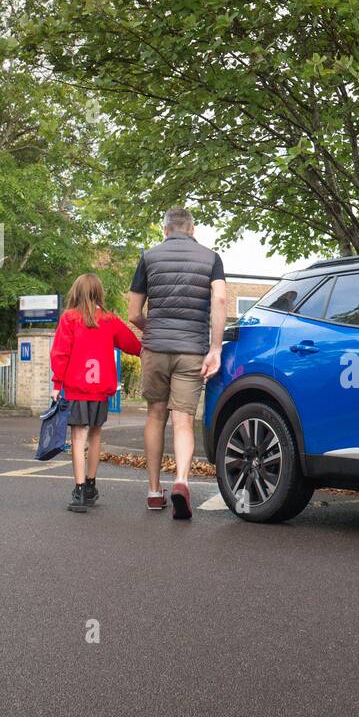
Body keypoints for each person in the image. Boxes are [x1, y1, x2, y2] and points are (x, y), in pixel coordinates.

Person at [128, 206, 226, 520]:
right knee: (182, 420)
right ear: (193, 230)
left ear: (165, 230)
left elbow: (132, 313)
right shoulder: (211, 259)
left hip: (156, 347)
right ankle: (182, 481)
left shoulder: (149, 256)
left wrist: (150, 328)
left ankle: (154, 491)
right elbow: (221, 300)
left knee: (156, 416)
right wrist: (215, 348)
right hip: (192, 349)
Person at [50, 272, 143, 512]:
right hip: (101, 390)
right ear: (99, 293)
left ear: (76, 292)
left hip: (76, 387)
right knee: (95, 436)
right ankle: (91, 485)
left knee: (78, 438)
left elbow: (60, 353)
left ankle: (79, 490)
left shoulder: (69, 319)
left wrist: (57, 384)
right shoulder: (110, 320)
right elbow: (133, 345)